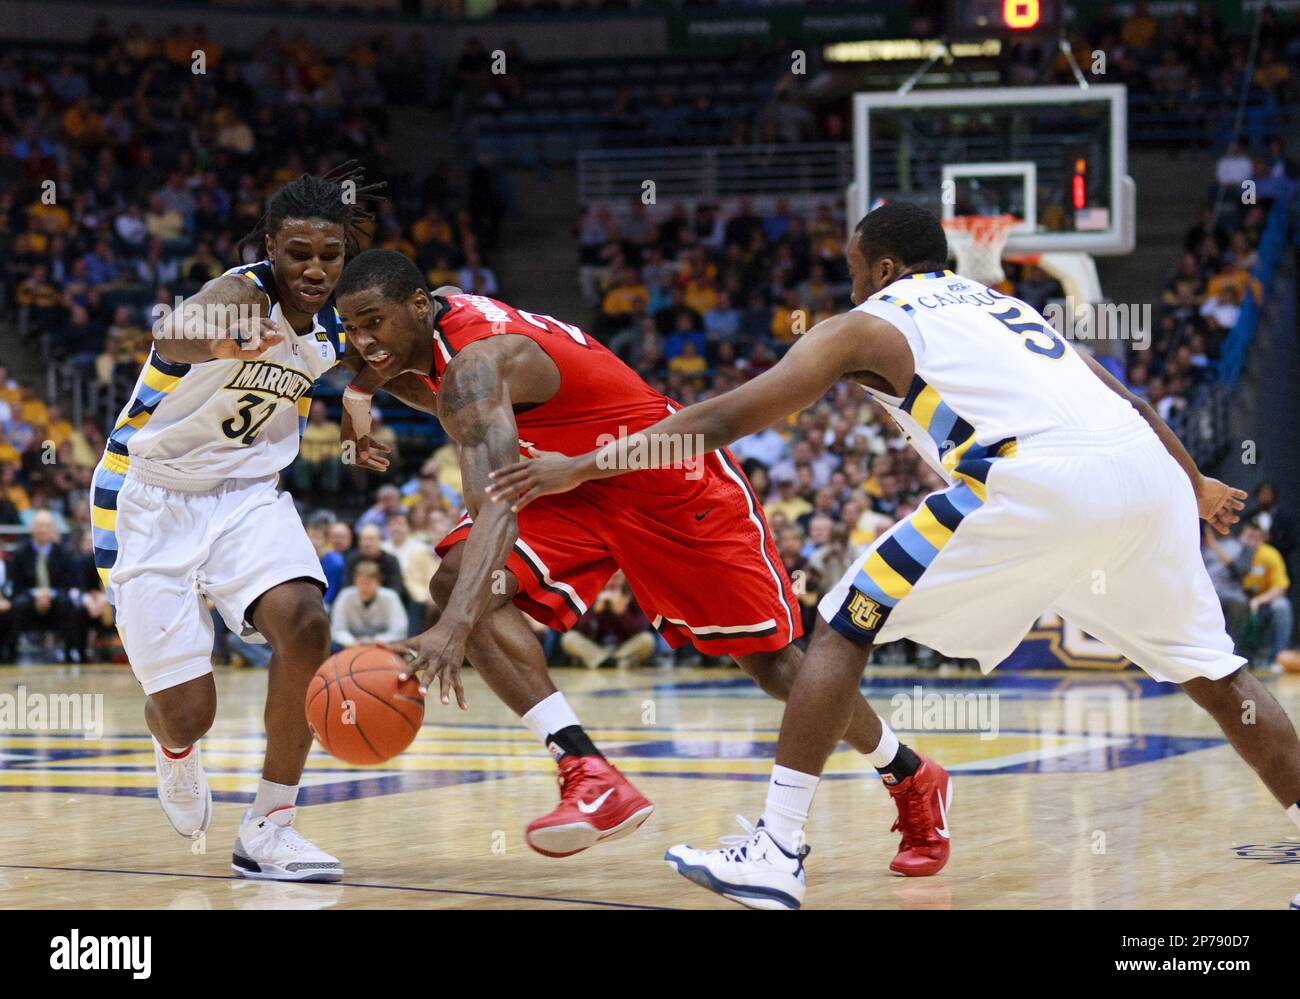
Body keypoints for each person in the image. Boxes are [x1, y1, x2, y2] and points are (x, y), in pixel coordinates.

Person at [489, 202, 1300, 910]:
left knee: (840, 627)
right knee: (1221, 679)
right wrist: (1192, 483)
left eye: (850, 271)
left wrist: (583, 465)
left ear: (881, 266)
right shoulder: (1002, 305)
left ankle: (776, 851)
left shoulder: (869, 322)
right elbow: (1133, 397)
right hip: (1145, 479)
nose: (847, 289)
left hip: (1034, 475)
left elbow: (731, 415)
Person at [334, 248, 949, 870]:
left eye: (373, 323)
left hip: (661, 476)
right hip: (560, 480)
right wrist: (357, 396)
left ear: (417, 307)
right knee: (455, 576)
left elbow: (492, 504)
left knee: (771, 666)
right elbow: (395, 372)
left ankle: (910, 774)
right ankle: (587, 773)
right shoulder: (427, 319)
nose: (362, 339)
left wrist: (452, 630)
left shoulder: (476, 364)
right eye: (351, 325)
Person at [88, 165, 434, 882]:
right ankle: (173, 745)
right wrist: (218, 339)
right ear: (271, 245)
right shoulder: (239, 295)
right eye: (299, 252)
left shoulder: (340, 318)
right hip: (151, 496)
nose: (314, 268)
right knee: (189, 712)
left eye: (330, 255)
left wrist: (373, 397)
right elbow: (177, 329)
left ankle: (270, 825)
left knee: (305, 621)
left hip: (248, 493)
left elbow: (395, 369)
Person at [1239, 520, 1294, 666]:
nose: (1252, 541)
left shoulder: (1270, 554)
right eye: (1249, 537)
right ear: (1241, 537)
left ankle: (1278, 657)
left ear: (1263, 538)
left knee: (1282, 606)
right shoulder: (1234, 552)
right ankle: (1237, 659)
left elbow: (1280, 587)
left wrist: (1258, 601)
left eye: (1257, 537)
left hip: (1264, 600)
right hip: (1240, 599)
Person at [330, 561, 408, 649]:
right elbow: (338, 629)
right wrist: (351, 642)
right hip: (351, 644)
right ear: (355, 581)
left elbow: (399, 630)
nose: (364, 587)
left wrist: (376, 641)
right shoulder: (345, 596)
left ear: (378, 582)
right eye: (361, 582)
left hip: (383, 644)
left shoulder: (391, 597)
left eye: (368, 583)